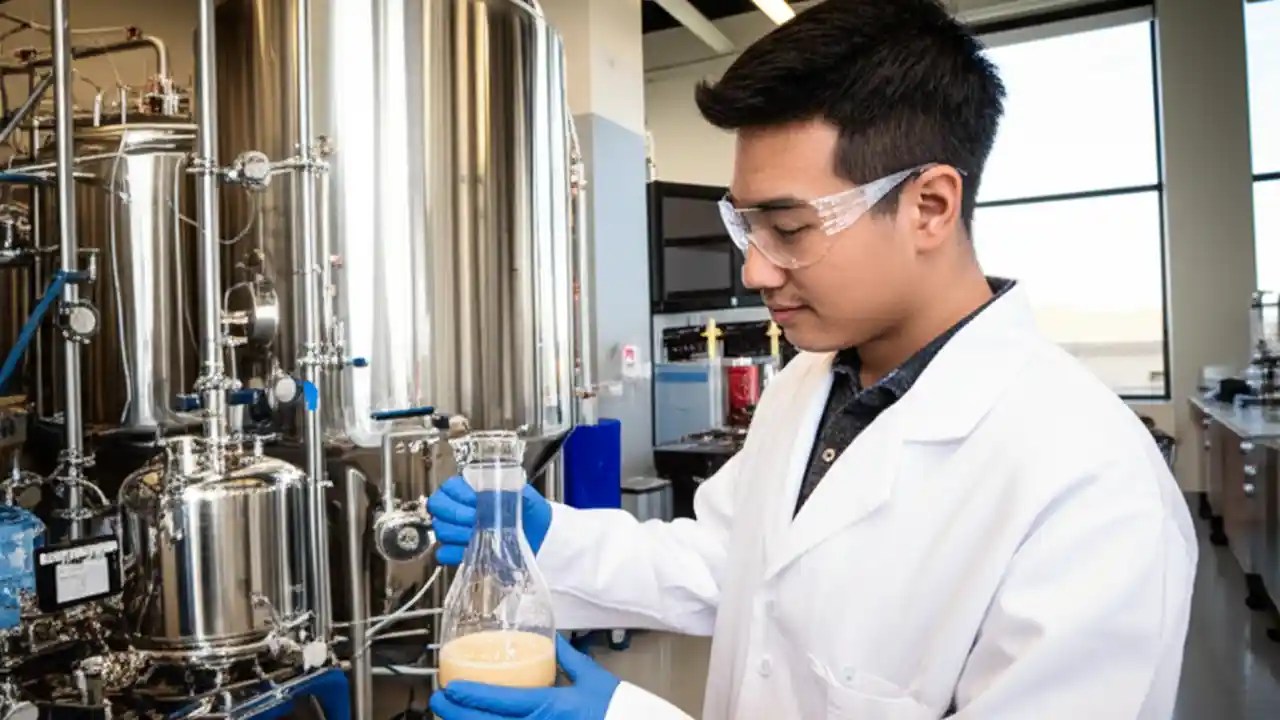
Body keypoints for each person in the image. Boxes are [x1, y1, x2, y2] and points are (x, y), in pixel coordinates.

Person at [427, 0, 1198, 717]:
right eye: (747, 228)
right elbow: (729, 563)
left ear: (929, 205)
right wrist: (548, 539)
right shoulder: (806, 382)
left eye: (790, 229)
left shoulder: (1093, 487)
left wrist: (622, 714)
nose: (755, 271)